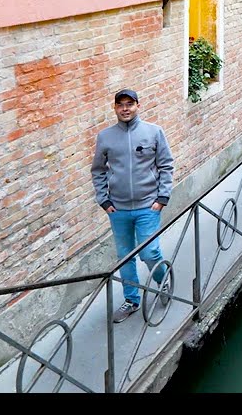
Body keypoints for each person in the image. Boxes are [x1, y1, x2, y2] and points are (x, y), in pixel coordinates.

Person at [91, 88, 174, 324]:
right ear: (115, 108)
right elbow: (98, 170)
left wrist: (162, 198)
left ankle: (163, 279)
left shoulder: (154, 132)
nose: (125, 108)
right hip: (117, 209)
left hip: (148, 206)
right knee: (125, 256)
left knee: (150, 252)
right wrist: (104, 200)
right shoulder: (105, 137)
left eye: (129, 104)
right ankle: (131, 300)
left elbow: (166, 165)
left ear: (138, 105)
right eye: (120, 105)